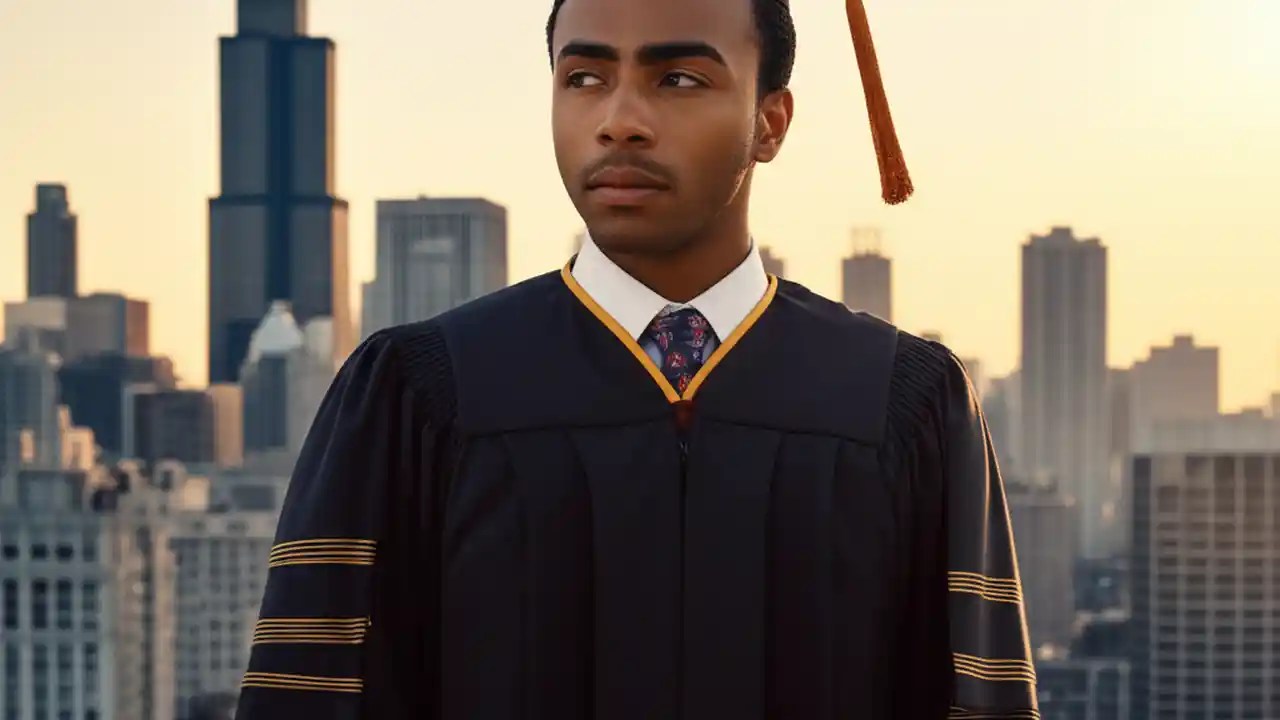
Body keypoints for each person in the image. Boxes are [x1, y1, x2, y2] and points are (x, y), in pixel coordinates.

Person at [236, 0, 1039, 717]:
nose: (619, 119)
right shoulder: (422, 393)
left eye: (680, 80)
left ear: (771, 122)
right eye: (582, 77)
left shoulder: (897, 402)